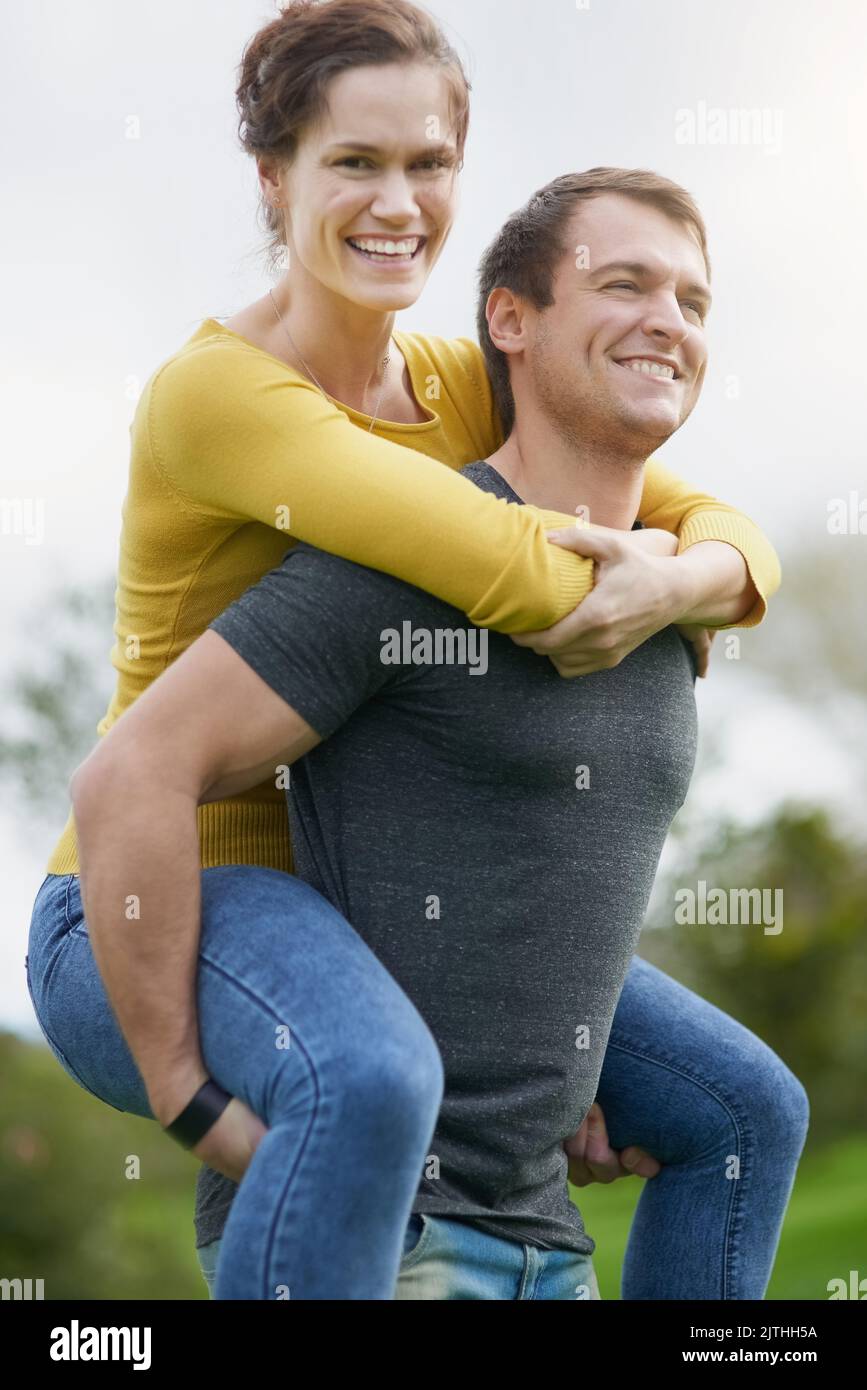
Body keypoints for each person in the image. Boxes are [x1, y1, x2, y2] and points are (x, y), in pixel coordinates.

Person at [25, 0, 788, 1300]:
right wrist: (192, 1098)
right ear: (275, 179)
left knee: (743, 1109)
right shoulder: (225, 395)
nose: (399, 200)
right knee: (368, 1075)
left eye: (428, 163)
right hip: (160, 883)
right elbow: (513, 565)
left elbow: (686, 505)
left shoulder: (453, 380)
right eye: (354, 163)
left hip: (356, 908)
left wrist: (701, 573)